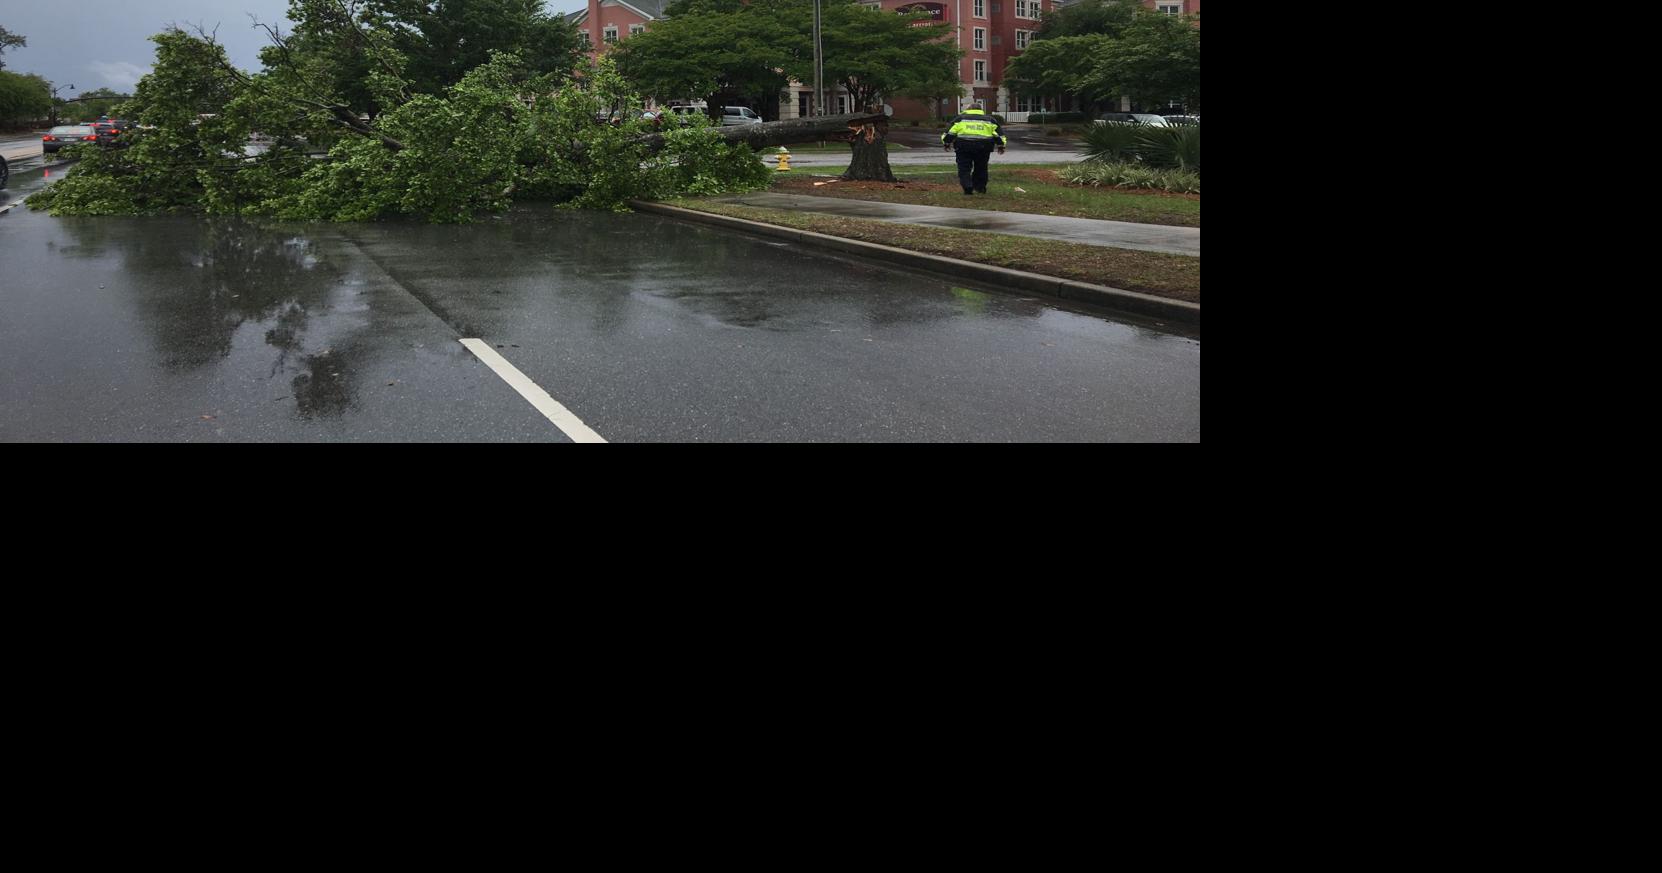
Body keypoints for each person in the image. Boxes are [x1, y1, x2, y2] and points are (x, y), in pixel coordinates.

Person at [941, 103, 1007, 196]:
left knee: (964, 168)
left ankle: (967, 186)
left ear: (968, 109)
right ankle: (980, 188)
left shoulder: (960, 119)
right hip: (984, 147)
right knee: (981, 168)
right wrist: (1001, 145)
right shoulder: (990, 120)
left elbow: (950, 132)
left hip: (963, 146)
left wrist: (946, 143)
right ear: (980, 109)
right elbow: (998, 134)